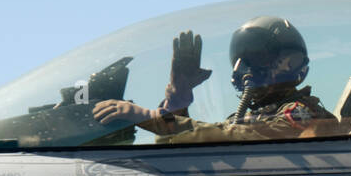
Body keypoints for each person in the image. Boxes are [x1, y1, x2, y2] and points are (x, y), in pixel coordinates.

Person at [93, 17, 337, 143]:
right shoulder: (247, 118)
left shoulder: (303, 115)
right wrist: (178, 95)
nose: (243, 68)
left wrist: (149, 118)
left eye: (255, 58)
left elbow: (232, 139)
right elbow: (184, 147)